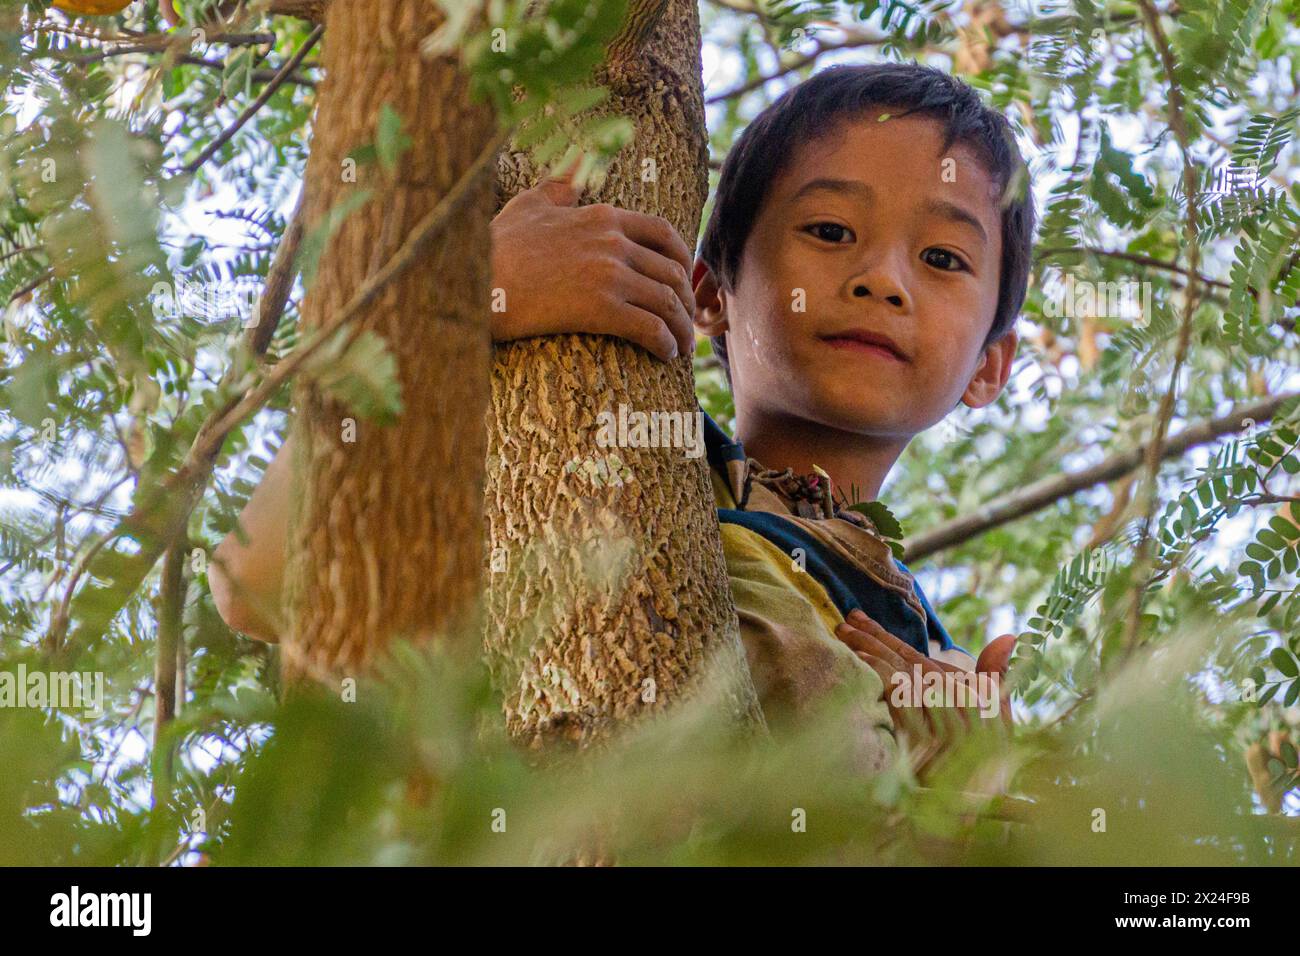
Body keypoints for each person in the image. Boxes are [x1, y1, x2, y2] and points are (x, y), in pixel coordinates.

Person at [213, 63, 1031, 771]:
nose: (882, 279)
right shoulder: (602, 456)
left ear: (990, 365)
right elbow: (263, 584)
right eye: (829, 230)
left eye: (942, 259)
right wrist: (462, 303)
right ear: (710, 291)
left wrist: (973, 782)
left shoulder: (943, 663)